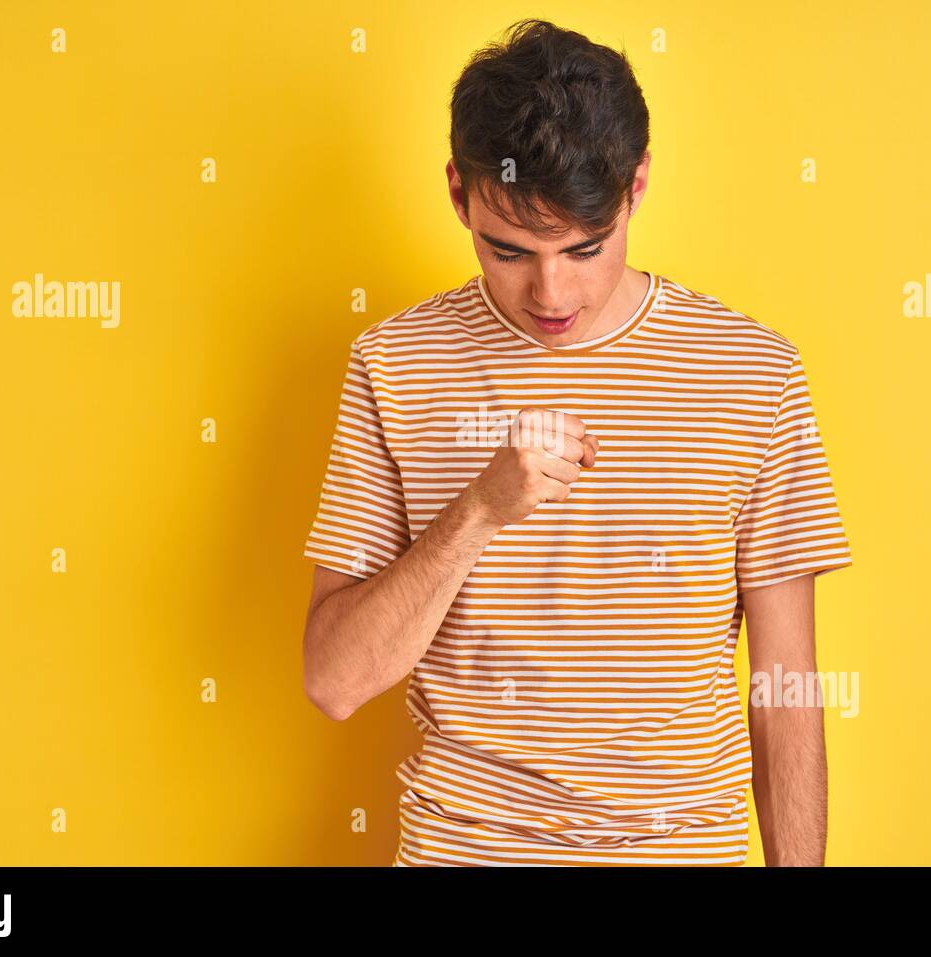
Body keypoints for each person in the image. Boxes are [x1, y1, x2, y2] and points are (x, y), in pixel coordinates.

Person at [301, 18, 852, 866]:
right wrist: (479, 511)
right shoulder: (395, 364)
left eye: (585, 248)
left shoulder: (753, 374)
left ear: (636, 187)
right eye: (509, 249)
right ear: (458, 194)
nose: (551, 292)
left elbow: (786, 688)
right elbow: (335, 680)